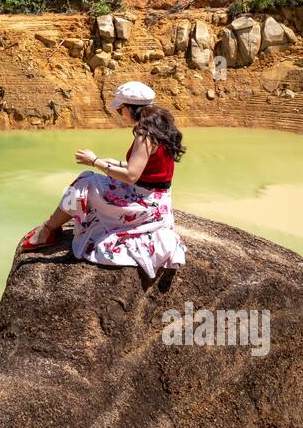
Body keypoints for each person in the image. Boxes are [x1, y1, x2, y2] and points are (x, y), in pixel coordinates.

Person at [22, 81, 187, 280]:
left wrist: (96, 162)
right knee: (88, 179)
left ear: (131, 109)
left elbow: (132, 176)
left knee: (85, 182)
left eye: (120, 109)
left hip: (143, 203)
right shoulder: (160, 125)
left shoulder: (145, 134)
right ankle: (51, 227)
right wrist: (115, 163)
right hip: (156, 200)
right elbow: (147, 169)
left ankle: (49, 229)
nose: (120, 113)